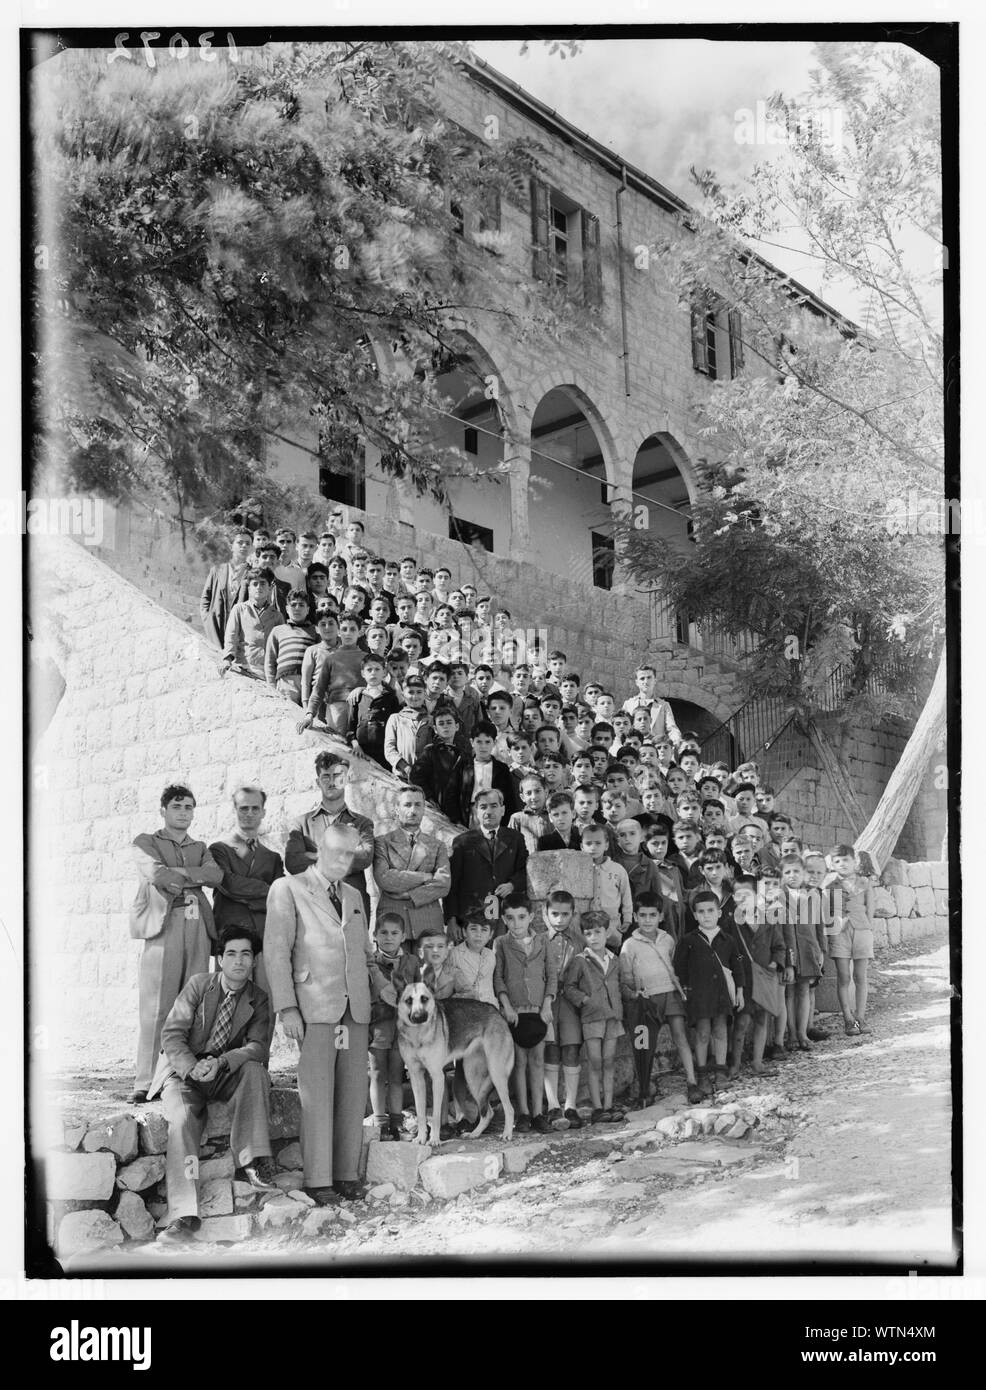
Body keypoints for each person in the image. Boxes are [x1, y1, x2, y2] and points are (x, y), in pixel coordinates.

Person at [265, 824, 388, 1204]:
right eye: (335, 852)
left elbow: (365, 954)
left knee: (352, 1093)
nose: (342, 861)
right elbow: (275, 952)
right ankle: (318, 1181)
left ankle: (346, 1175)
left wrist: (384, 987)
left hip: (354, 1009)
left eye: (349, 854)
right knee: (317, 1095)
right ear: (320, 849)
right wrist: (287, 1007)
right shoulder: (288, 889)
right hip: (314, 1006)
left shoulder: (353, 894)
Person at [150, 928, 277, 1244]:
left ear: (253, 960)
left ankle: (251, 1161)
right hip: (185, 1073)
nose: (238, 961)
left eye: (246, 954)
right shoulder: (198, 985)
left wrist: (219, 1063)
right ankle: (183, 1215)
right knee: (181, 1119)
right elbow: (172, 1033)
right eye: (231, 954)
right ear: (220, 959)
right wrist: (193, 1067)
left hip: (222, 1072)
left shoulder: (258, 999)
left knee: (255, 1071)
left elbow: (258, 1047)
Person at [131, 786, 222, 1103]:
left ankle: (180, 1077)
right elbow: (158, 875)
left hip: (198, 926)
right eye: (177, 806)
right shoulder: (147, 842)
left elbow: (215, 875)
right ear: (163, 810)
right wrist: (190, 875)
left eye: (189, 807)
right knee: (157, 1006)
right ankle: (144, 1080)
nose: (184, 812)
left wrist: (181, 873)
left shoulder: (200, 846)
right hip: (164, 925)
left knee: (193, 1007)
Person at [209, 786, 284, 1034]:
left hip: (263, 939)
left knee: (264, 1003)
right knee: (228, 1002)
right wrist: (265, 890)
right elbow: (228, 884)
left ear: (263, 812)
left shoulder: (272, 858)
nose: (249, 814)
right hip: (231, 939)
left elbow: (280, 896)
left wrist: (247, 895)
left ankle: (260, 1065)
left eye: (254, 808)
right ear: (235, 810)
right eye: (243, 808)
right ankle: (226, 1066)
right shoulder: (219, 850)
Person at [618, 892, 701, 1106]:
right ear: (635, 916)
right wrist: (633, 994)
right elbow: (625, 976)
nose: (647, 920)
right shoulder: (629, 945)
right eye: (643, 915)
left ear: (660, 916)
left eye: (652, 915)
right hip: (646, 999)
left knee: (680, 1036)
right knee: (645, 1045)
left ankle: (692, 1081)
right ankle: (644, 1089)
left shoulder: (668, 939)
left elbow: (675, 965)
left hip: (670, 994)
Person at [494, 894, 556, 1135]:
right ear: (504, 919)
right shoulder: (500, 943)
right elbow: (498, 976)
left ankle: (539, 1112)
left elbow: (551, 974)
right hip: (516, 1011)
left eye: (521, 917)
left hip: (539, 1010)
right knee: (519, 1063)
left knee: (538, 1060)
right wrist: (506, 1006)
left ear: (531, 916)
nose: (516, 923)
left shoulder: (543, 941)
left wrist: (548, 1003)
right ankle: (523, 1113)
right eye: (510, 918)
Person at [283, 752, 375, 915]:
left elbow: (365, 857)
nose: (332, 782)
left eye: (337, 775)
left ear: (346, 779)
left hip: (353, 908)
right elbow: (293, 862)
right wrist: (344, 854)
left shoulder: (362, 824)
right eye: (326, 776)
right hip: (314, 910)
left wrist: (314, 856)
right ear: (318, 782)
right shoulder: (300, 824)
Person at [673, 890, 745, 1095]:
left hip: (722, 994)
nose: (706, 915)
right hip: (700, 995)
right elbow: (680, 969)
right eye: (701, 911)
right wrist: (687, 993)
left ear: (719, 913)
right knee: (703, 1033)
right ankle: (703, 1073)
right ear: (695, 915)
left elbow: (737, 966)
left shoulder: (728, 939)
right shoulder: (688, 940)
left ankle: (720, 1071)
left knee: (721, 1030)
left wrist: (739, 991)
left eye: (710, 910)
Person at [562, 909, 625, 1123]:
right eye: (588, 934)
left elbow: (621, 986)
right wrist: (585, 1000)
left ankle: (609, 1105)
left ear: (607, 933)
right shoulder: (580, 960)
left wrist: (634, 994)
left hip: (613, 1017)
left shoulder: (614, 959)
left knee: (609, 1061)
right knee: (595, 1061)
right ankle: (597, 1108)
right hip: (592, 1018)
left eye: (598, 932)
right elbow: (569, 988)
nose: (594, 938)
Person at [445, 789, 528, 940]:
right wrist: (451, 919)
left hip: (505, 914)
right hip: (471, 915)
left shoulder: (515, 838)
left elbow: (524, 870)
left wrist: (512, 885)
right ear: (476, 811)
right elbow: (452, 882)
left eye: (494, 806)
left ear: (503, 810)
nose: (489, 811)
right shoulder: (462, 842)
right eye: (483, 807)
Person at [372, 786, 451, 942]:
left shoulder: (437, 845)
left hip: (428, 922)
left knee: (429, 967)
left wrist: (410, 895)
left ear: (423, 809)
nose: (413, 810)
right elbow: (385, 879)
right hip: (393, 921)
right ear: (396, 808)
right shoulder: (382, 842)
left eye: (418, 805)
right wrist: (425, 876)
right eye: (407, 805)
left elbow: (443, 884)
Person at [367, 912, 418, 1141]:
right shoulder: (371, 962)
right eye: (384, 933)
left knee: (397, 1074)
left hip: (403, 1027)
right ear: (375, 935)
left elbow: (419, 993)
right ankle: (380, 1122)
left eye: (394, 933)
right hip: (379, 1024)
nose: (389, 938)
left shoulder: (412, 961)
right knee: (377, 1072)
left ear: (403, 936)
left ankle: (397, 1122)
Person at [541, 889, 585, 1128]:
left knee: (571, 1049)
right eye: (554, 914)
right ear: (545, 914)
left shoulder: (579, 941)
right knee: (550, 1050)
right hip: (546, 1003)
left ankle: (571, 1105)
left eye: (565, 914)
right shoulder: (538, 939)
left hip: (570, 1003)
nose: (559, 919)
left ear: (573, 914)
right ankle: (552, 1105)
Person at [823, 844, 875, 1036]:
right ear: (832, 864)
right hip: (839, 933)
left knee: (860, 976)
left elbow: (870, 909)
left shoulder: (865, 882)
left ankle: (860, 1016)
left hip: (861, 931)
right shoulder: (829, 885)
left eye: (846, 860)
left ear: (854, 861)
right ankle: (848, 1018)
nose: (842, 864)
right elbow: (826, 911)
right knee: (844, 976)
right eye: (837, 861)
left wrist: (867, 927)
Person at [297, 614, 367, 737]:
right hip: (337, 709)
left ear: (360, 632)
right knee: (340, 746)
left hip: (362, 707)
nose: (348, 633)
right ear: (339, 632)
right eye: (344, 629)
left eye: (353, 629)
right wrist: (310, 714)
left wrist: (362, 689)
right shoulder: (331, 659)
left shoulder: (367, 658)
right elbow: (319, 689)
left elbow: (377, 685)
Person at [444, 721, 517, 826]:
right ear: (472, 742)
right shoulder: (463, 766)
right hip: (471, 814)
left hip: (495, 813)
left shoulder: (501, 769)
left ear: (494, 743)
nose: (483, 746)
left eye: (487, 742)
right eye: (479, 742)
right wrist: (456, 819)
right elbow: (451, 794)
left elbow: (509, 799)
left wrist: (505, 823)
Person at [579, 821, 633, 951]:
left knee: (611, 959)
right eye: (588, 843)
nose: (593, 847)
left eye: (598, 843)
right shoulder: (579, 870)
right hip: (586, 929)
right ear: (581, 846)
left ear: (606, 845)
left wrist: (627, 919)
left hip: (611, 926)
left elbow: (626, 896)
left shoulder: (617, 870)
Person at [219, 567, 281, 680]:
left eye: (263, 583)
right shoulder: (239, 610)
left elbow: (281, 643)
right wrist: (227, 659)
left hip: (267, 670)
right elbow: (231, 636)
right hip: (244, 666)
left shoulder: (277, 616)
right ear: (249, 588)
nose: (259, 587)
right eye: (255, 584)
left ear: (270, 588)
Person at [200, 528, 253, 650]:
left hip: (240, 632)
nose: (244, 546)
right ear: (231, 545)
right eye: (240, 542)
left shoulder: (253, 573)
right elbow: (205, 598)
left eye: (248, 543)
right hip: (216, 626)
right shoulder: (217, 570)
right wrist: (207, 620)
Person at [410, 706, 466, 820]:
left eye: (449, 722)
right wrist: (429, 798)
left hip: (459, 810)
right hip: (437, 808)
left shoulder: (464, 754)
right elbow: (415, 777)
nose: (445, 726)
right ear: (435, 729)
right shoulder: (431, 751)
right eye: (441, 723)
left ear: (457, 726)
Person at [345, 656, 401, 768]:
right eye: (369, 670)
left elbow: (396, 727)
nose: (373, 673)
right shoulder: (357, 697)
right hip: (361, 751)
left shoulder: (390, 697)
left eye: (377, 669)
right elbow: (350, 728)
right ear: (362, 673)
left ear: (384, 672)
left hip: (383, 753)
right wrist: (355, 745)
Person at [264, 590, 316, 703]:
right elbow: (270, 661)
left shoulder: (315, 631)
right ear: (287, 609)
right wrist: (272, 685)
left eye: (301, 605)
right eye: (293, 605)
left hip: (308, 682)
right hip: (286, 683)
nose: (297, 608)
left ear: (308, 609)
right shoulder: (278, 631)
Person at [450, 916, 497, 1004]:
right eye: (473, 929)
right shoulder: (454, 954)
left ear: (491, 935)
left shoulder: (491, 955)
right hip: (465, 1008)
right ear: (464, 932)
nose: (478, 934)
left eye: (484, 930)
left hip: (490, 1007)